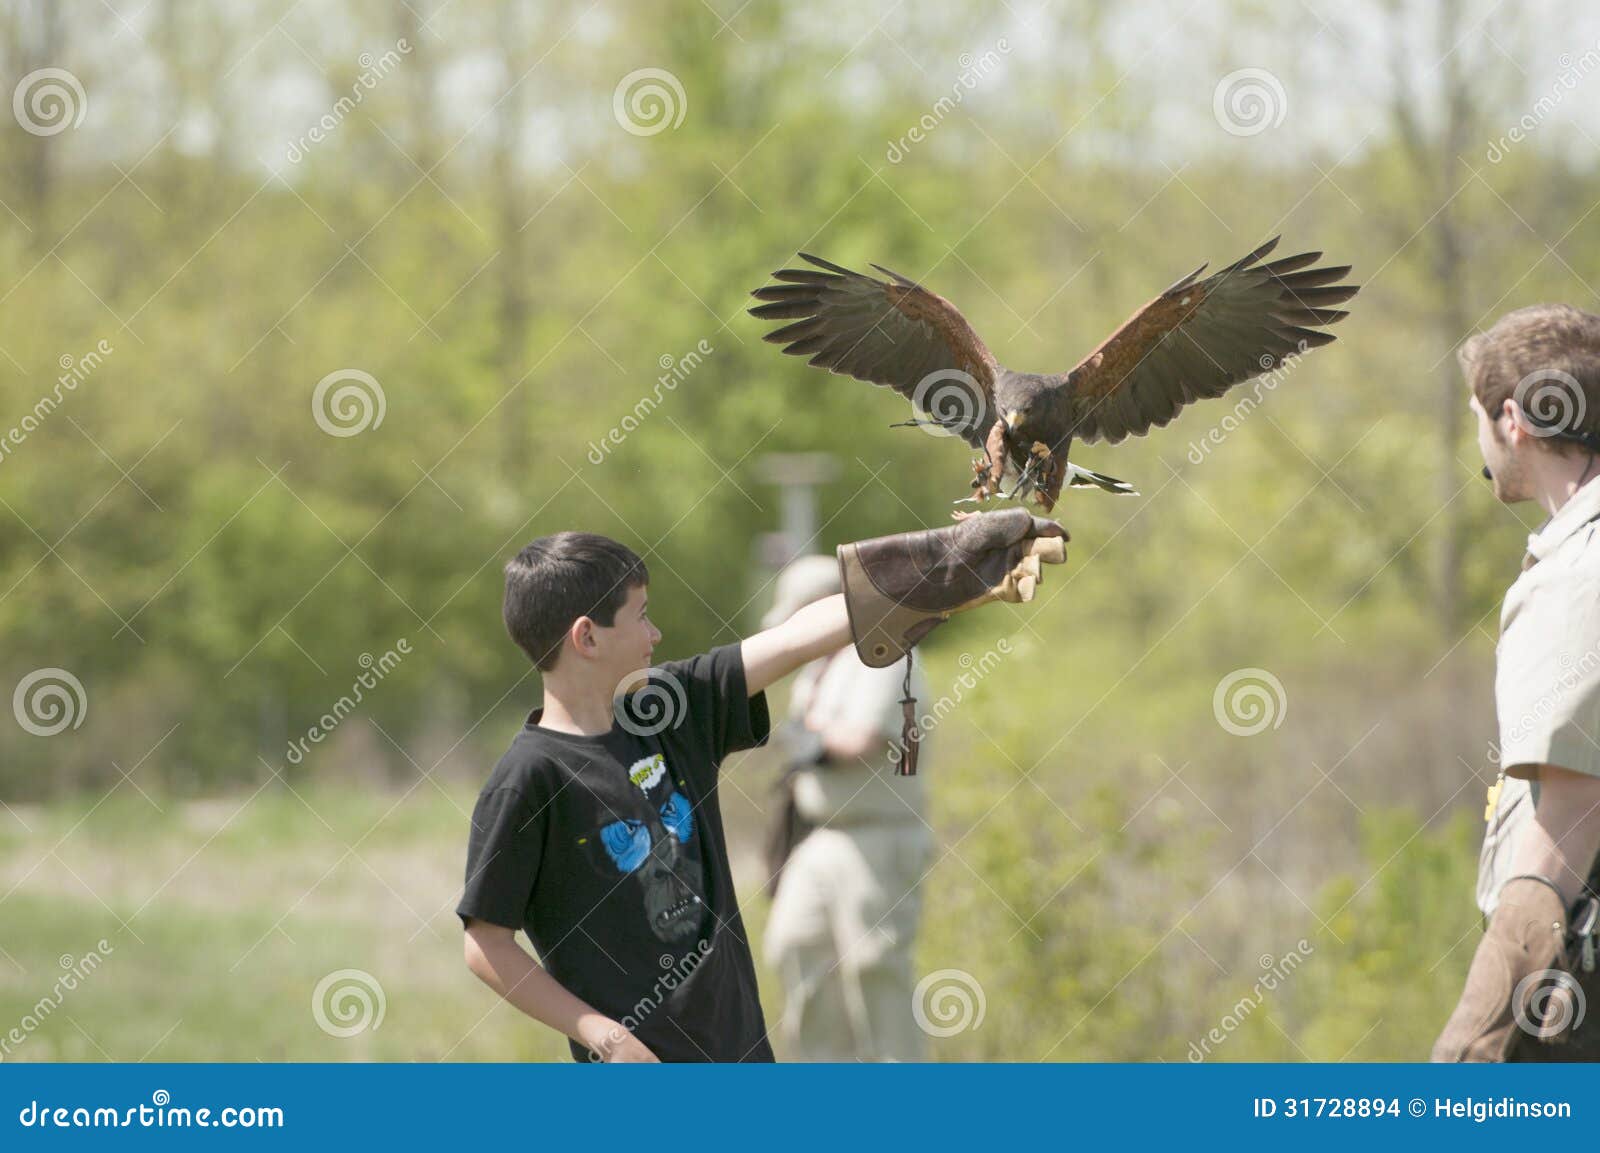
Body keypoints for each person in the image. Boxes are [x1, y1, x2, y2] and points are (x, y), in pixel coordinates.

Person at [455, 510, 1066, 1061]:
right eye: (641, 617)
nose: (656, 635)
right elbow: (486, 943)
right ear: (586, 638)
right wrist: (604, 1035)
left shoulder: (668, 709)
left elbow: (800, 635)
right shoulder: (528, 778)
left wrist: (948, 563)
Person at [1434, 304, 1600, 1061]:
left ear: (1514, 420)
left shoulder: (1578, 576)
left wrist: (1480, 1033)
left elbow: (1569, 819)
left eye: (1476, 418)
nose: (1477, 442)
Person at [760, 555, 935, 1061]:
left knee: (874, 970)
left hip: (877, 835)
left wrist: (803, 741)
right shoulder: (820, 669)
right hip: (822, 835)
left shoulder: (887, 654)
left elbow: (857, 740)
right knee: (794, 946)